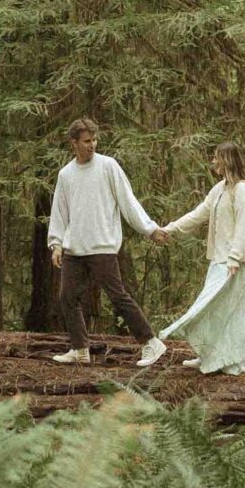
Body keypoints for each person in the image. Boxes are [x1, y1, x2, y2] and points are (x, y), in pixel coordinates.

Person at [46, 119, 168, 368]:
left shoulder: (108, 166)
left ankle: (152, 343)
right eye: (86, 141)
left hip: (102, 246)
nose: (92, 145)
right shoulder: (66, 174)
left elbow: (128, 201)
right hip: (74, 248)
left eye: (94, 140)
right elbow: (60, 212)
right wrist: (56, 244)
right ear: (74, 144)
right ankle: (80, 349)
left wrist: (149, 228)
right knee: (67, 297)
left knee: (118, 296)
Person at [153, 143, 245, 376]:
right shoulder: (219, 189)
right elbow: (198, 214)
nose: (213, 162)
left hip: (237, 262)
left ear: (227, 160)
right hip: (219, 260)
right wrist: (171, 228)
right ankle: (210, 353)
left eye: (217, 158)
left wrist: (235, 258)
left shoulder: (243, 191)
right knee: (211, 307)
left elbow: (244, 225)